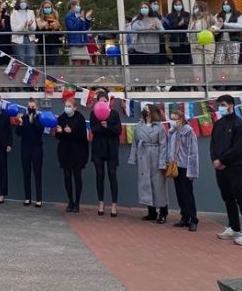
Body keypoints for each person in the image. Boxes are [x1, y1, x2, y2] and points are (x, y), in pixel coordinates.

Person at [211, 95, 242, 246]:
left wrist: (223, 160)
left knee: (241, 198)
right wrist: (215, 160)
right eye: (219, 105)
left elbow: (239, 148)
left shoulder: (240, 125)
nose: (220, 108)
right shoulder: (218, 124)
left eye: (223, 105)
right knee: (228, 197)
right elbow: (213, 145)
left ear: (231, 105)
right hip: (220, 167)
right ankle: (234, 227)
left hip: (237, 167)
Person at [128, 103, 169, 223]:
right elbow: (135, 143)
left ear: (152, 112)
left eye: (146, 109)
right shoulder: (139, 125)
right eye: (144, 109)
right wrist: (133, 158)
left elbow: (163, 145)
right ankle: (151, 212)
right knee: (146, 184)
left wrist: (162, 162)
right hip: (143, 156)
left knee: (158, 186)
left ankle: (163, 212)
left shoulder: (159, 127)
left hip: (155, 156)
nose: (144, 111)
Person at [89, 88, 121, 217]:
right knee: (99, 175)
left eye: (105, 101)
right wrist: (101, 126)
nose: (103, 103)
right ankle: (101, 203)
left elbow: (118, 130)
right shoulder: (93, 114)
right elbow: (93, 129)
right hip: (98, 147)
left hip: (111, 148)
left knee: (112, 175)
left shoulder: (114, 114)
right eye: (100, 101)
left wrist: (108, 126)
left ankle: (114, 205)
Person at [168, 109, 199, 231]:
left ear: (181, 119)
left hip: (186, 166)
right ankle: (184, 216)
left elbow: (193, 152)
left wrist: (192, 170)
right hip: (176, 165)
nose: (172, 121)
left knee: (187, 193)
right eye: (171, 119)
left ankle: (193, 218)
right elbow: (170, 148)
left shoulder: (189, 132)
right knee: (179, 192)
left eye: (174, 119)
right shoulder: (173, 132)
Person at [55, 98, 88, 212]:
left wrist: (71, 131)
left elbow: (83, 137)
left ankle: (77, 202)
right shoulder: (61, 118)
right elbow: (58, 136)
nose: (67, 108)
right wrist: (59, 132)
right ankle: (70, 201)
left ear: (75, 108)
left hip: (78, 152)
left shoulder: (80, 118)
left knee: (77, 176)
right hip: (65, 152)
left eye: (69, 106)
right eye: (66, 106)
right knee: (67, 176)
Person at [15, 98, 43, 207]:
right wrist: (20, 123)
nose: (31, 109)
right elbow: (18, 133)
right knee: (26, 173)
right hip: (25, 148)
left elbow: (40, 131)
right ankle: (27, 197)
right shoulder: (24, 118)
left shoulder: (40, 118)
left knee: (37, 173)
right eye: (29, 107)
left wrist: (32, 121)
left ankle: (39, 199)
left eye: (33, 107)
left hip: (37, 148)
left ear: (36, 107)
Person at [129, 1, 166, 65]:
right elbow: (135, 29)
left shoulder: (155, 19)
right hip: (140, 50)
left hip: (153, 50)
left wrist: (156, 28)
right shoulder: (136, 19)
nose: (144, 9)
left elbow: (162, 31)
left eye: (145, 7)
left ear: (149, 9)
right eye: (142, 8)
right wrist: (149, 28)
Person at [188, 0, 221, 66]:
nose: (194, 8)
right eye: (194, 6)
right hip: (195, 46)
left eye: (196, 6)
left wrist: (213, 28)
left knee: (207, 67)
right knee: (197, 67)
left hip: (207, 46)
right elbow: (189, 30)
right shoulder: (192, 19)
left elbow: (217, 26)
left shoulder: (210, 17)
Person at [215, 0, 242, 65]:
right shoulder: (218, 15)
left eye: (227, 4)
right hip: (221, 42)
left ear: (231, 5)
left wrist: (225, 24)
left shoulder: (238, 14)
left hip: (233, 42)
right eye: (224, 4)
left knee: (234, 63)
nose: (225, 6)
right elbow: (215, 27)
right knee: (218, 62)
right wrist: (218, 26)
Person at [162, 0, 191, 65]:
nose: (178, 6)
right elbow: (167, 28)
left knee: (186, 61)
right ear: (173, 5)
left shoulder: (187, 14)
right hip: (174, 42)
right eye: (176, 4)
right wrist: (178, 25)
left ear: (182, 5)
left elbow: (190, 26)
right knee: (177, 61)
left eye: (179, 4)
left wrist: (185, 22)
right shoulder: (169, 16)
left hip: (185, 42)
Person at [9, 0, 37, 66]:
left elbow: (34, 27)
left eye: (24, 2)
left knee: (31, 60)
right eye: (21, 2)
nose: (23, 3)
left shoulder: (31, 12)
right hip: (18, 40)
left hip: (30, 39)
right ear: (18, 3)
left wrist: (29, 25)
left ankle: (30, 73)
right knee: (20, 60)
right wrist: (24, 25)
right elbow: (14, 29)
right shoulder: (13, 13)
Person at [65, 0, 93, 66]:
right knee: (77, 61)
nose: (79, 7)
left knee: (85, 61)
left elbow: (85, 28)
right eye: (77, 5)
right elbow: (72, 27)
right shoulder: (69, 16)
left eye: (79, 5)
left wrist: (87, 19)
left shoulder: (79, 15)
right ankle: (76, 73)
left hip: (83, 42)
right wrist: (80, 19)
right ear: (72, 6)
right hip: (75, 42)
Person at [36, 0, 62, 66]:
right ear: (42, 8)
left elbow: (60, 34)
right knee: (46, 61)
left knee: (55, 62)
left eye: (49, 7)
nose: (47, 9)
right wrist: (45, 28)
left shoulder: (56, 19)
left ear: (51, 8)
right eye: (46, 7)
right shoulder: (39, 19)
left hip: (54, 43)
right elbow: (37, 35)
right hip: (44, 44)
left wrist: (55, 28)